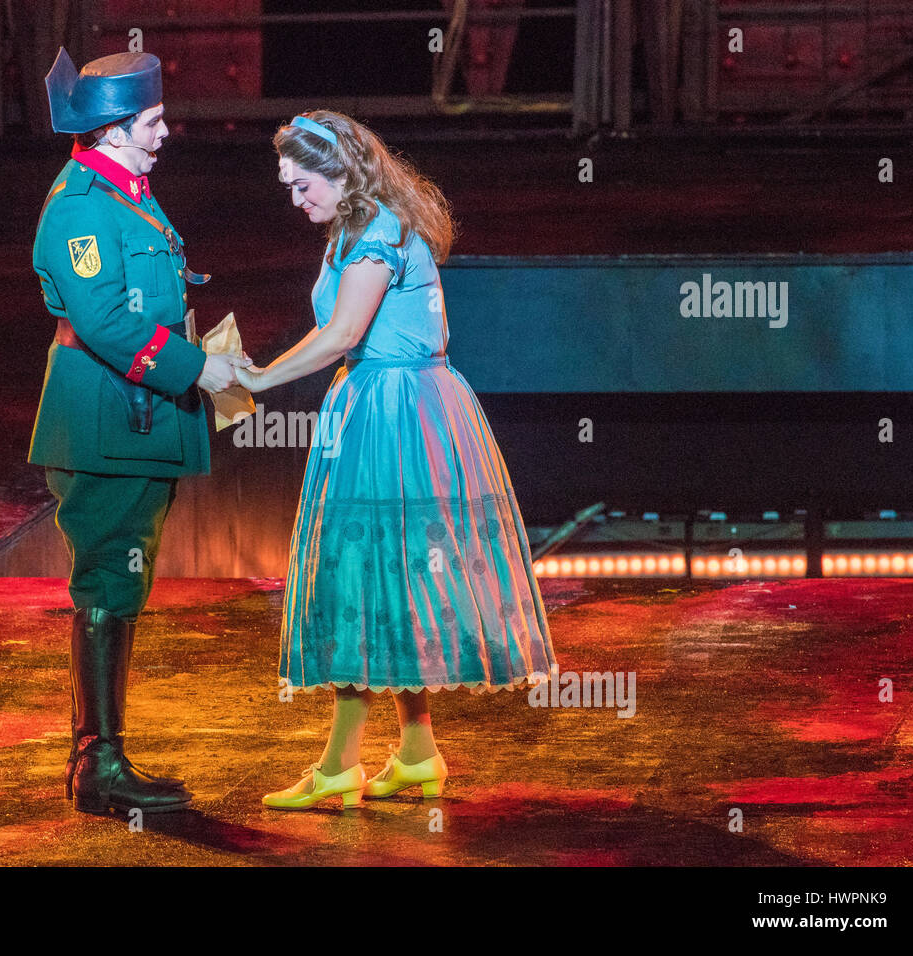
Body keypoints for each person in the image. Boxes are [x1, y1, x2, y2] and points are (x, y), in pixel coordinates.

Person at [235, 111, 559, 810]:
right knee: (392, 579)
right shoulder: (354, 228)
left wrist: (258, 379)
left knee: (364, 580)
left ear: (341, 171)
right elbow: (341, 334)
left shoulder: (378, 229)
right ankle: (416, 751)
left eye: (302, 184)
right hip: (377, 404)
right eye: (289, 187)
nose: (296, 199)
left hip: (399, 412)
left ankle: (337, 765)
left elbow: (344, 332)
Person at [28, 48, 248, 816]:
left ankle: (102, 754)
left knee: (124, 576)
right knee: (109, 578)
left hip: (133, 417)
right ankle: (98, 763)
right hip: (105, 422)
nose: (164, 133)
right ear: (116, 129)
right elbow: (105, 321)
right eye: (152, 122)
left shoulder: (128, 193)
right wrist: (195, 369)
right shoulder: (84, 207)